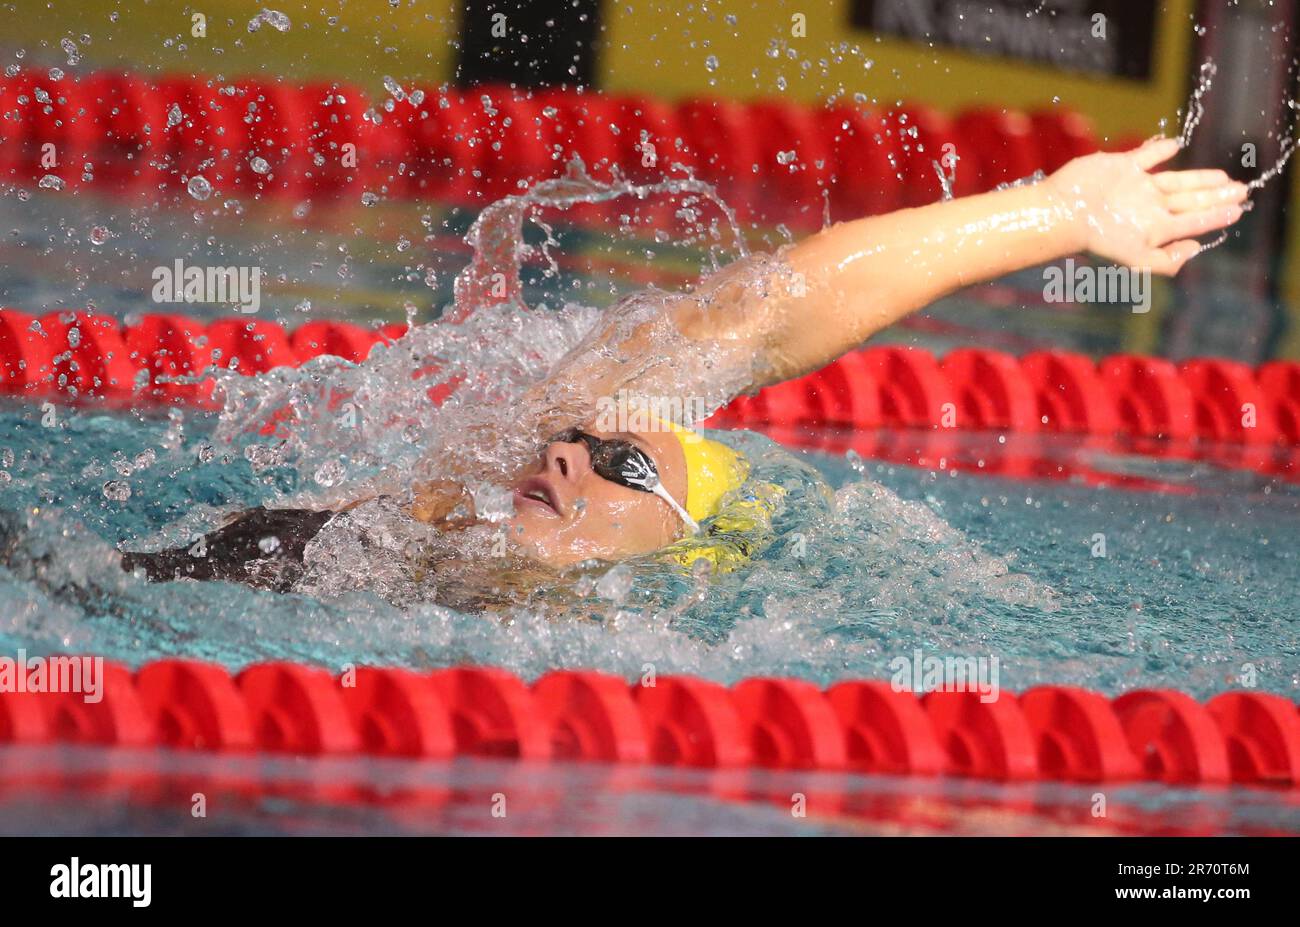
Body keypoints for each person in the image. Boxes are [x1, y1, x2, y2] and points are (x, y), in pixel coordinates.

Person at [122, 137, 1247, 590]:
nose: (565, 454)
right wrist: (1049, 209)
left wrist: (1057, 214)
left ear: (677, 541)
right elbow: (769, 309)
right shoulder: (354, 546)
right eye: (575, 441)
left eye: (614, 457)